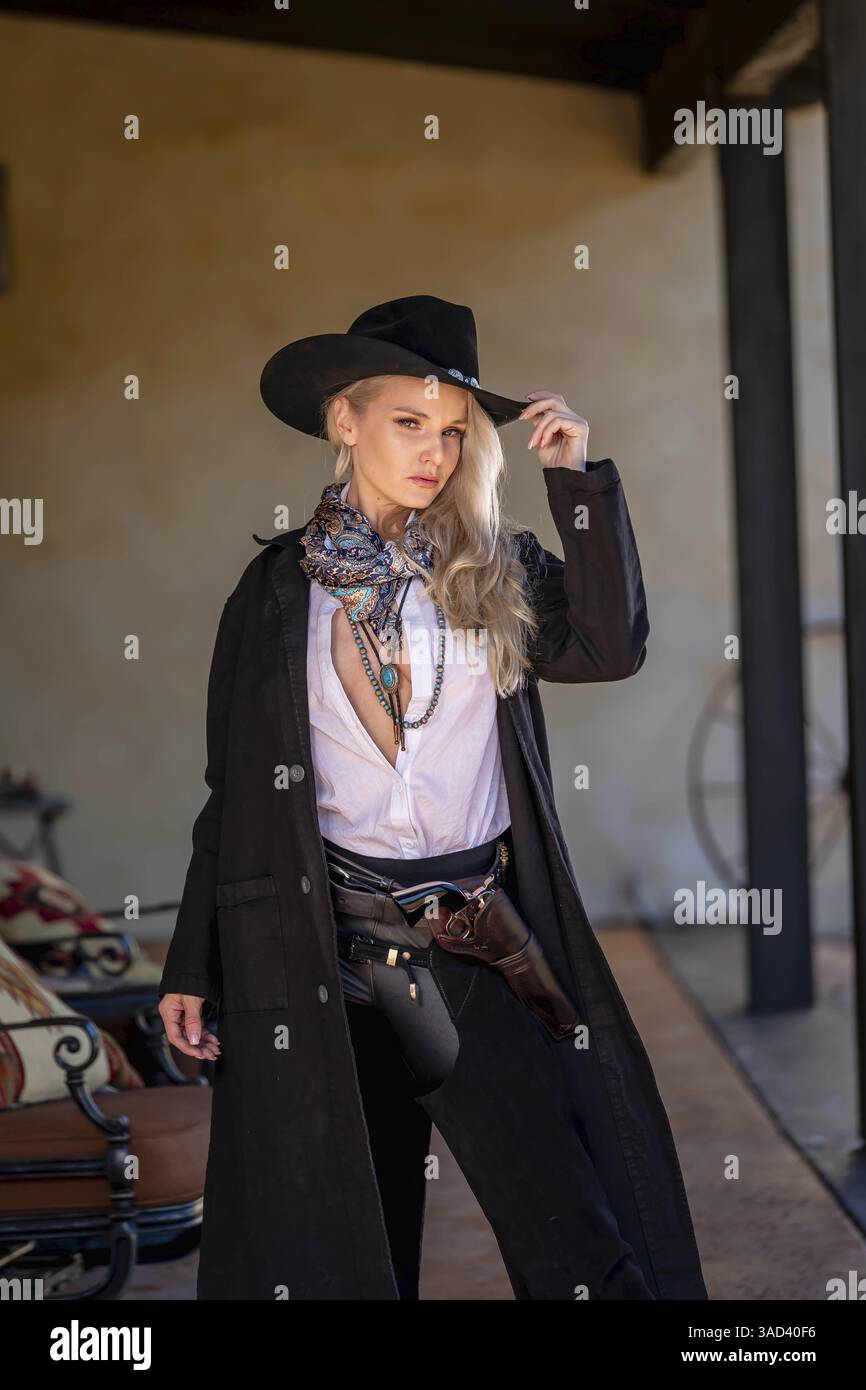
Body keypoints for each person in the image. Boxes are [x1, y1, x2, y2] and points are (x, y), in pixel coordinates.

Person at [158, 294, 708, 1301]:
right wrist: (191, 960)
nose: (433, 452)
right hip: (319, 946)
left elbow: (609, 647)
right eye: (407, 422)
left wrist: (573, 485)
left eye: (452, 431)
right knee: (339, 1244)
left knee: (569, 1226)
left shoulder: (492, 573)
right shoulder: (274, 593)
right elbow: (229, 793)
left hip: (469, 940)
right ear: (343, 419)